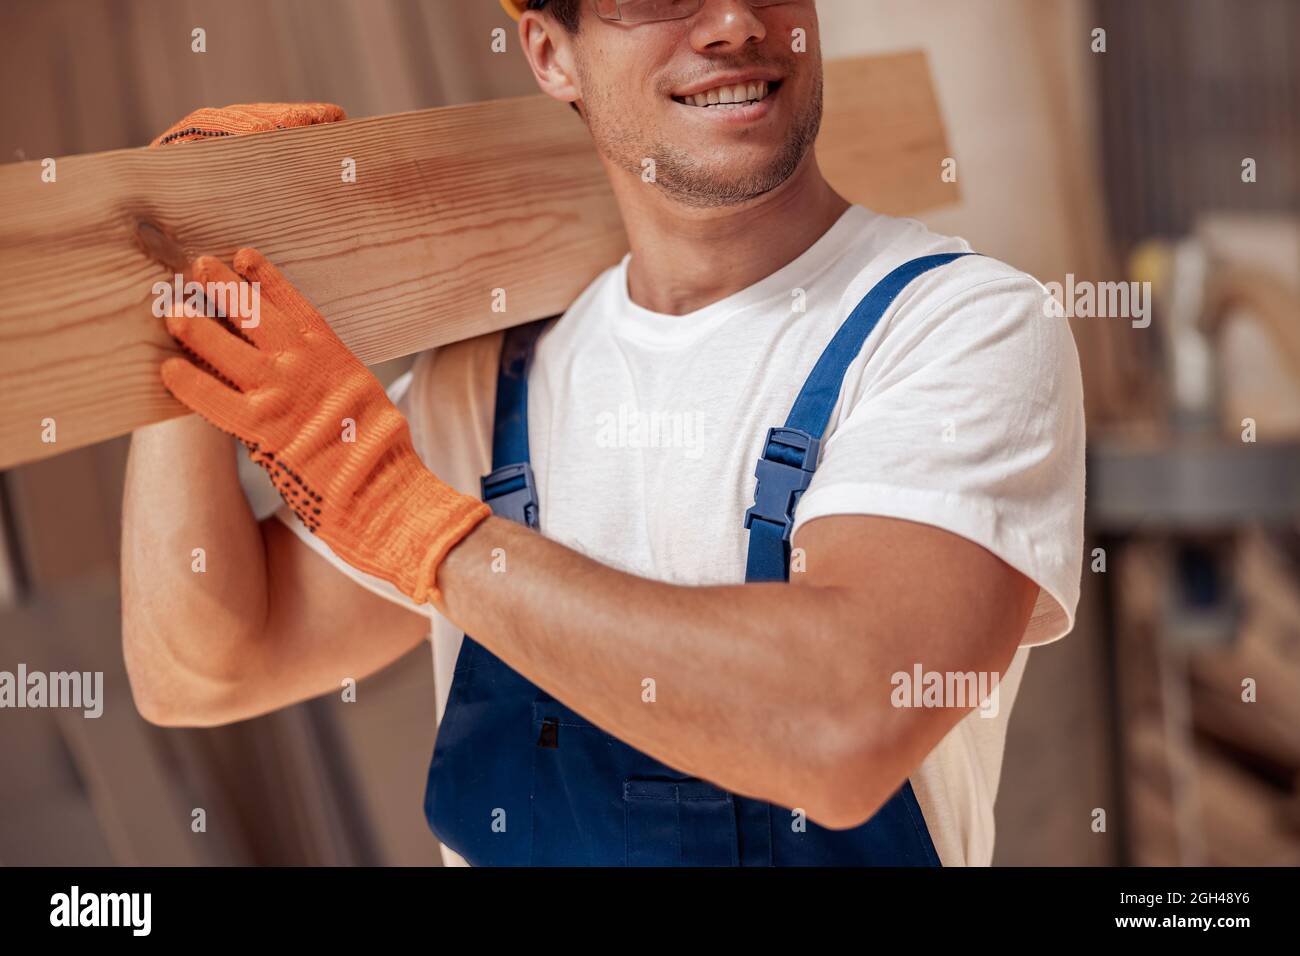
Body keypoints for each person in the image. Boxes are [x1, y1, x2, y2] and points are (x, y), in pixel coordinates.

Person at [122, 0, 1085, 866]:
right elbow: (202, 671)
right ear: (551, 53)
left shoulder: (959, 328)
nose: (736, 22)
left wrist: (423, 530)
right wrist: (190, 287)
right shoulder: (489, 388)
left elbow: (843, 727)